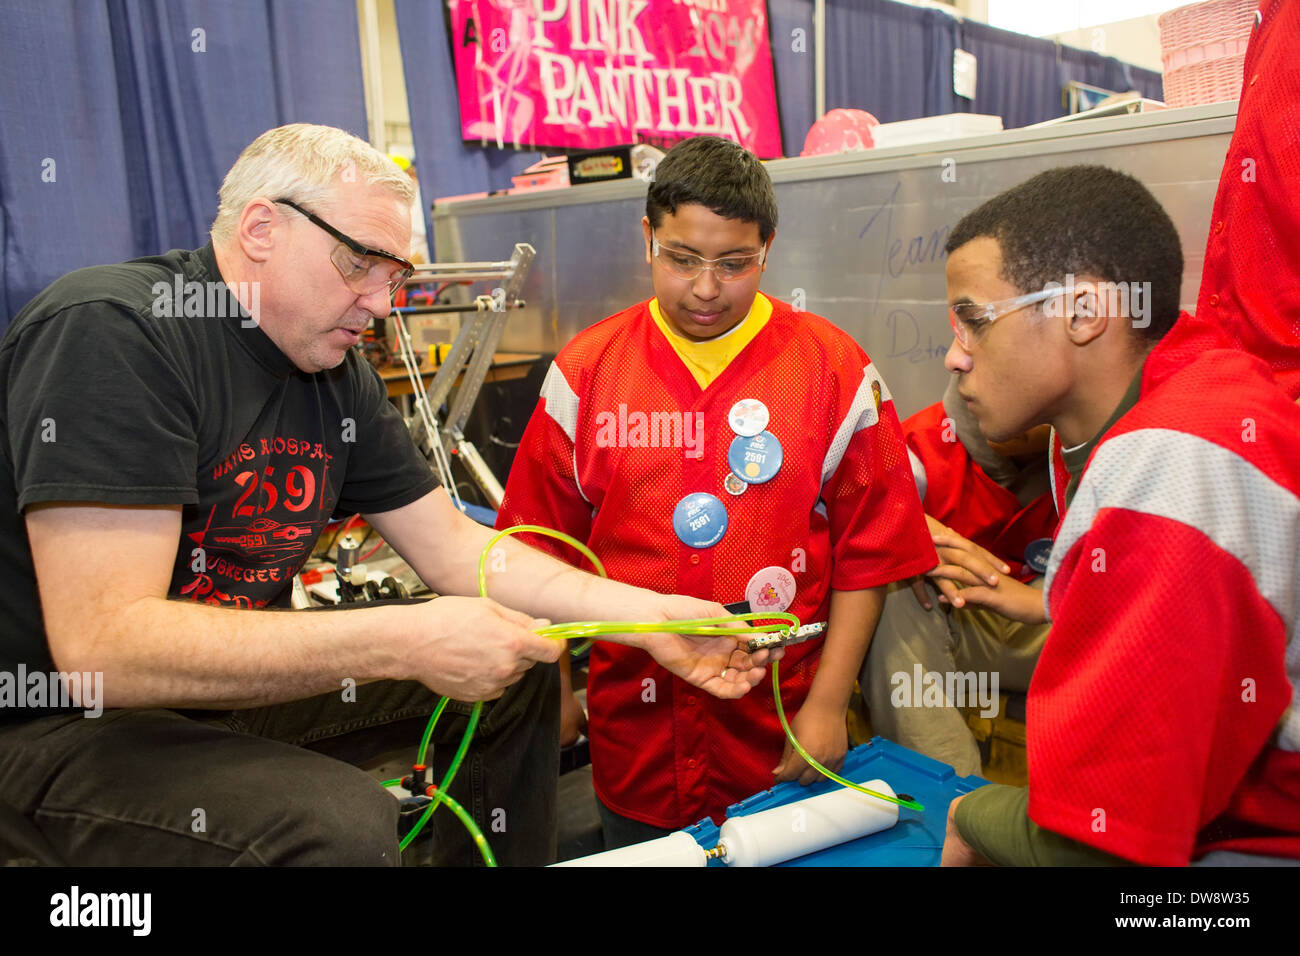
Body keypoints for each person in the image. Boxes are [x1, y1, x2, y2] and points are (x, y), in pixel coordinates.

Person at [0, 123, 777, 867]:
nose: (381, 304)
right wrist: (405, 641)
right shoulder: (114, 332)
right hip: (55, 727)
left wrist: (651, 618)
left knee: (523, 660)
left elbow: (453, 547)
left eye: (395, 273)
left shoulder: (332, 372)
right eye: (359, 264)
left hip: (212, 698)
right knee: (341, 831)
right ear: (262, 229)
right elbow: (106, 650)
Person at [496, 134, 935, 846]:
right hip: (635, 731)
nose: (705, 288)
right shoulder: (586, 373)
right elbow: (533, 552)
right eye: (682, 259)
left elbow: (871, 555)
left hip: (779, 729)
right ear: (648, 239)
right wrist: (558, 692)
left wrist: (827, 706)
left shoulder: (833, 371)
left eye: (735, 264)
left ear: (768, 249)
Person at [933, 165, 1300, 866]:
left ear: (1082, 311)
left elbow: (1108, 845)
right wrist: (1054, 598)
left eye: (975, 321)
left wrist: (972, 814)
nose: (956, 356)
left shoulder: (1171, 457)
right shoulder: (1184, 387)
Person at [862, 380, 1056, 777]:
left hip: (1060, 626)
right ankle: (949, 797)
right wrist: (898, 536)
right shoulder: (917, 450)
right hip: (957, 625)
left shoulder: (1109, 444)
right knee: (890, 587)